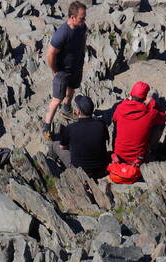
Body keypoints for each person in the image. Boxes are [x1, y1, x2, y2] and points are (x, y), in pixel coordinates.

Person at [44, 1, 88, 139]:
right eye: (82, 18)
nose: (84, 20)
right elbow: (50, 54)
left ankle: (67, 110)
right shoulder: (62, 33)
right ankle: (46, 126)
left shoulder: (82, 27)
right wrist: (56, 70)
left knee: (71, 90)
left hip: (76, 67)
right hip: (63, 71)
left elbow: (82, 41)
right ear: (72, 17)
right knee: (57, 100)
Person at [111, 81, 166, 167]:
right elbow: (164, 117)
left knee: (116, 125)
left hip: (119, 155)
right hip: (138, 159)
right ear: (144, 98)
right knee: (160, 125)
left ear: (131, 94)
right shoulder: (150, 113)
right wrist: (152, 103)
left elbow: (114, 121)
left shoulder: (120, 108)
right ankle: (151, 149)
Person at [53, 94, 110, 179]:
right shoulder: (101, 125)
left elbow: (62, 147)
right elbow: (105, 141)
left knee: (54, 145)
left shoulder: (70, 128)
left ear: (78, 112)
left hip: (80, 172)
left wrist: (72, 146)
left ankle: (53, 169)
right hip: (101, 170)